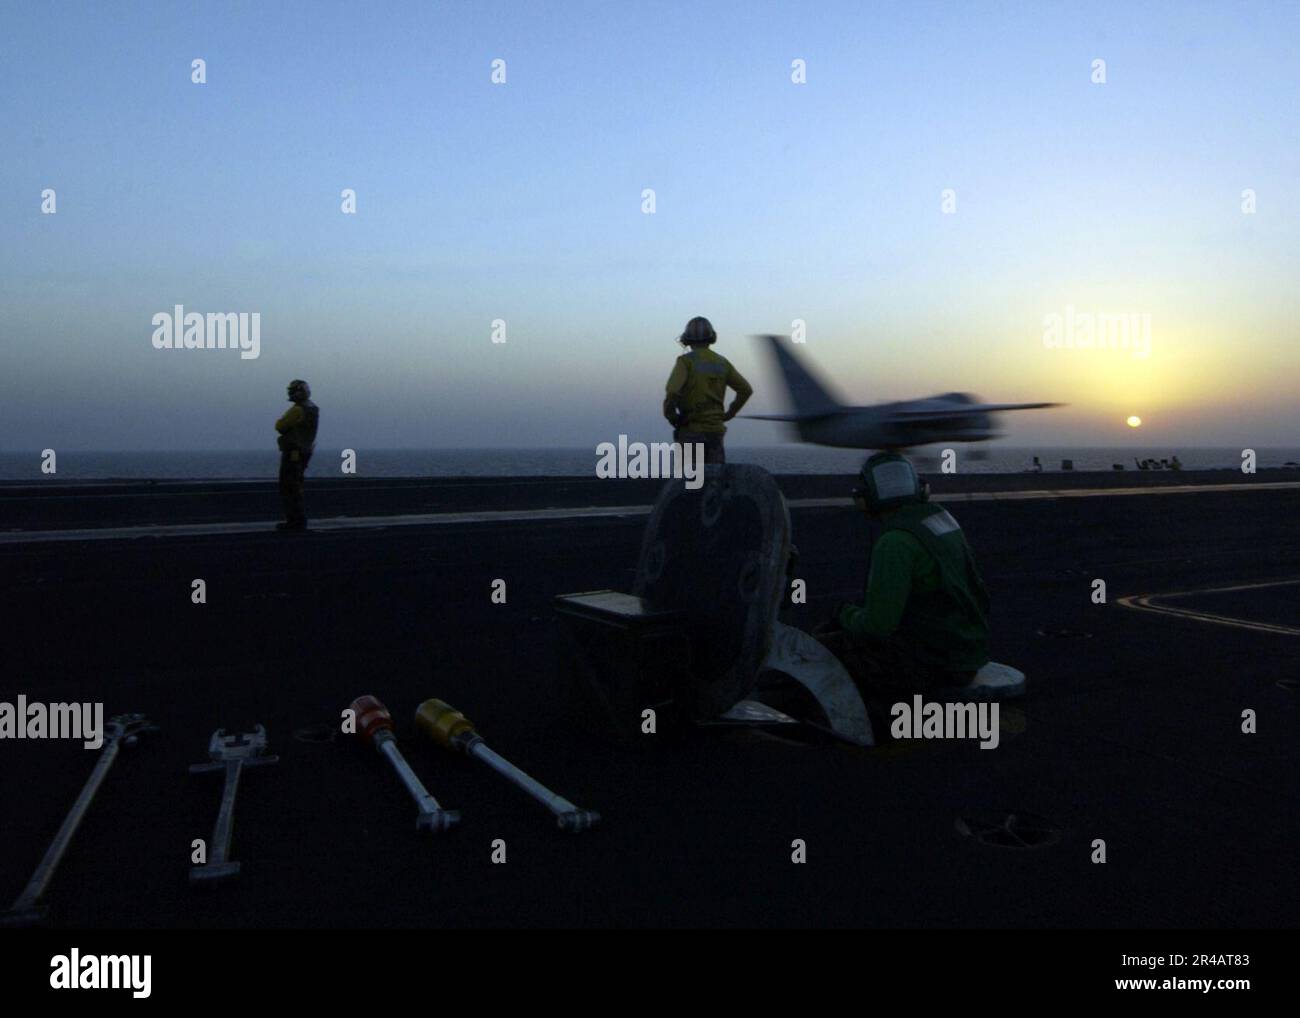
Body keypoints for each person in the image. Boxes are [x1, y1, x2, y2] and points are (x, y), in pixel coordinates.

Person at [816, 452, 991, 696]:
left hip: (935, 663)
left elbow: (877, 626)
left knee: (818, 652)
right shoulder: (942, 518)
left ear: (865, 498)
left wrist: (845, 614)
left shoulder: (895, 542)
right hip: (968, 651)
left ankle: (869, 727)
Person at [662, 316, 752, 464]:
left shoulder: (686, 362)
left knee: (691, 482)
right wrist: (730, 413)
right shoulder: (722, 363)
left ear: (687, 339)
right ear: (712, 337)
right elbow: (746, 390)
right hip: (715, 433)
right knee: (715, 480)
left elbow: (672, 391)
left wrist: (672, 417)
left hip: (691, 431)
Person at [275, 379, 319, 531]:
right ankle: (298, 520)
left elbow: (280, 426)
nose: (290, 393)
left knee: (288, 486)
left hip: (293, 453)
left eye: (293, 390)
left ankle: (294, 522)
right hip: (305, 452)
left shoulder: (297, 410)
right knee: (296, 485)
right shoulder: (312, 408)